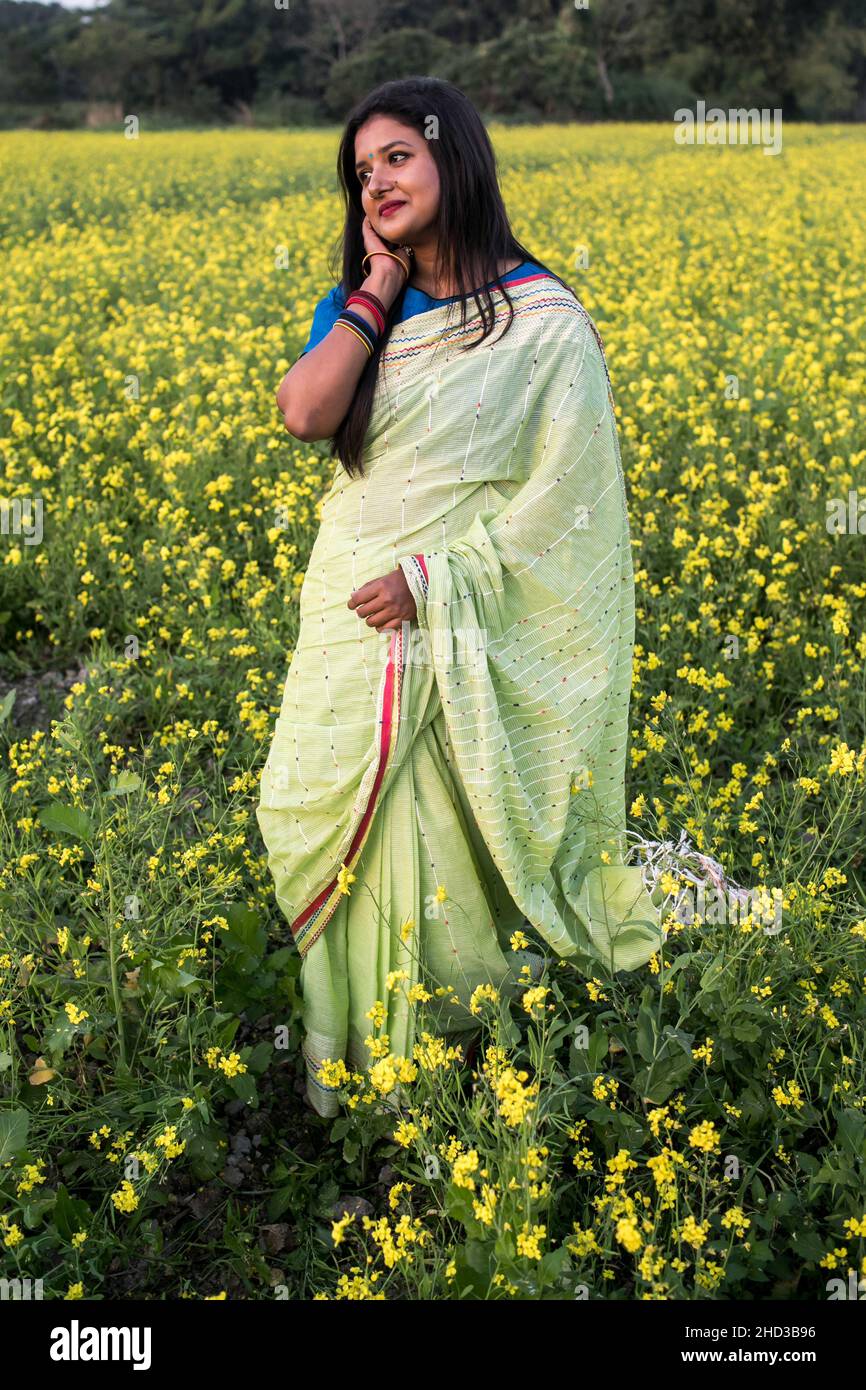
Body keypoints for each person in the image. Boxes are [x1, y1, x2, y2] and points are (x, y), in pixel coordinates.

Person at [256, 76, 664, 1117]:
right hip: (346, 598)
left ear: (456, 159)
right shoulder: (363, 307)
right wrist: (378, 286)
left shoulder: (541, 321)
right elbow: (305, 411)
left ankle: (440, 1064)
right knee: (302, 804)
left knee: (432, 830)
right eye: (360, 172)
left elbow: (569, 508)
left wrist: (438, 582)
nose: (375, 182)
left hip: (442, 615)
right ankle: (349, 1065)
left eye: (397, 156)